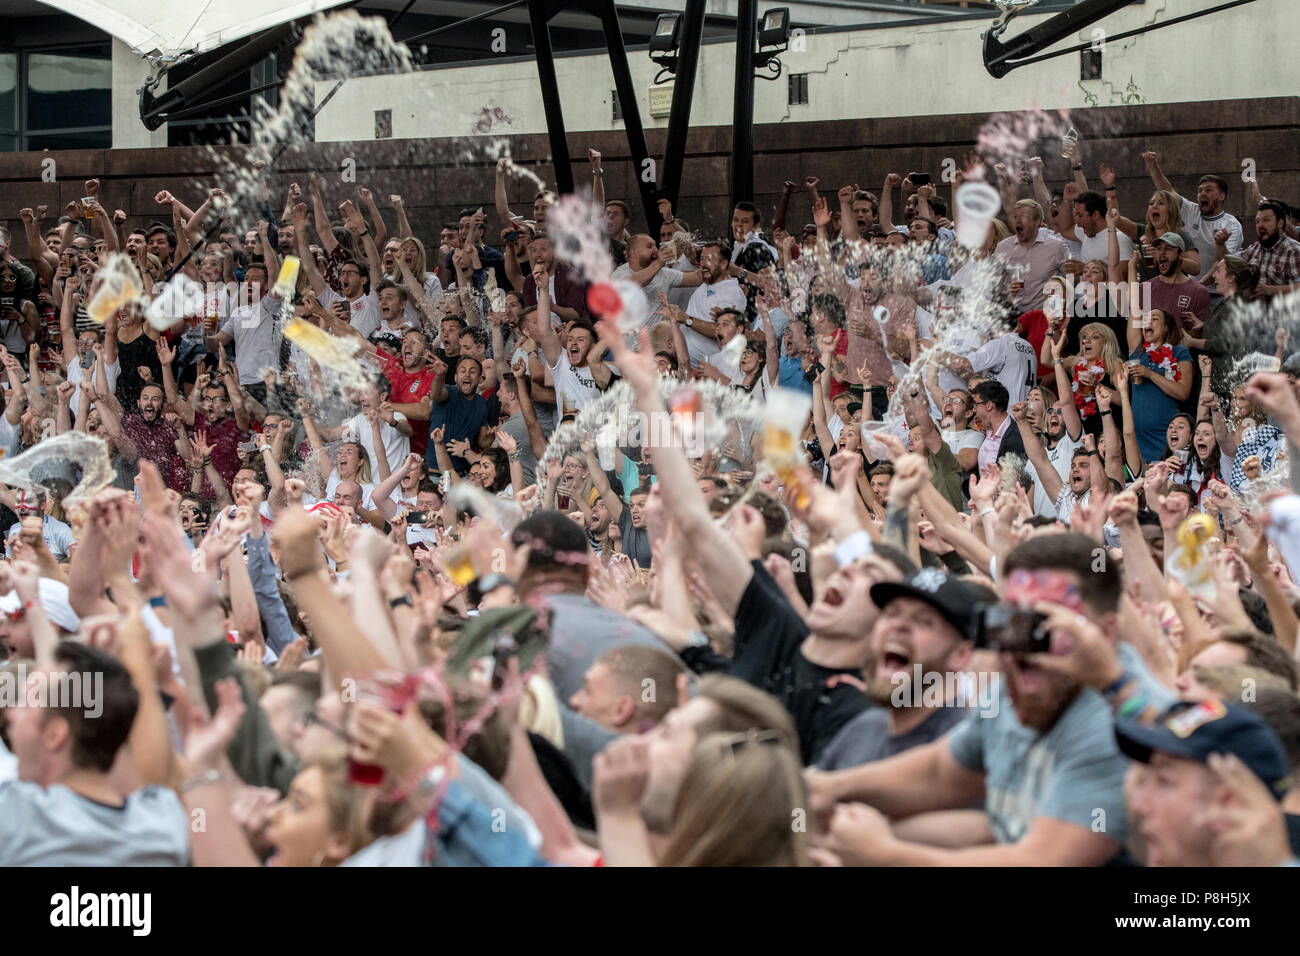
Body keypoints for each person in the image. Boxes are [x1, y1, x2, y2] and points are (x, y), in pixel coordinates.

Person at [809, 534, 1132, 866]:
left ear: (1105, 634)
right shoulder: (1012, 690)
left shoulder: (1117, 720)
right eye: (1011, 622)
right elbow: (940, 772)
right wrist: (829, 787)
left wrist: (884, 853)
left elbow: (1044, 861)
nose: (1023, 645)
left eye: (1046, 626)